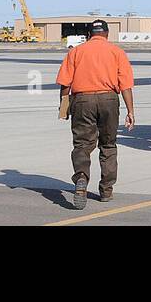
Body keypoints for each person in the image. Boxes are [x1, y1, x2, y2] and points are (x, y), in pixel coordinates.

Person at [56, 19, 135, 210]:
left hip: (82, 100)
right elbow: (125, 85)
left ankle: (81, 176)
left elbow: (65, 83)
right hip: (108, 99)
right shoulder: (117, 52)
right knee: (108, 145)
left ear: (89, 34)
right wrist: (130, 111)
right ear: (106, 34)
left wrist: (64, 107)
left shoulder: (76, 52)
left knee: (82, 144)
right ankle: (106, 190)